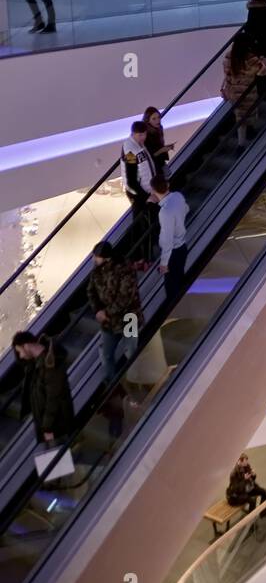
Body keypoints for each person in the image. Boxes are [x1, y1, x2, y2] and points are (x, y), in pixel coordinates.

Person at [87, 241, 142, 383]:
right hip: (109, 321)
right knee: (106, 354)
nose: (94, 259)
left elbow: (125, 297)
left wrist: (106, 312)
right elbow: (91, 291)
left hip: (129, 317)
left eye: (96, 256)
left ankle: (136, 382)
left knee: (131, 351)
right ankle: (112, 383)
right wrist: (98, 310)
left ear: (105, 257)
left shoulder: (125, 269)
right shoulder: (96, 272)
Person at [12, 330, 74, 447]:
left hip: (56, 427)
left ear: (26, 346)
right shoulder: (37, 363)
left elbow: (53, 398)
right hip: (51, 426)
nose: (21, 356)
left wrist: (47, 428)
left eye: (19, 351)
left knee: (60, 461)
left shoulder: (50, 363)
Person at [221, 30, 266, 145]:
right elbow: (262, 71)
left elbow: (227, 73)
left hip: (232, 91)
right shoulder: (250, 59)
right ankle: (241, 144)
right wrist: (263, 59)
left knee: (240, 117)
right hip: (246, 93)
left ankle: (242, 141)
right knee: (245, 117)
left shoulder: (229, 56)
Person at [120, 120, 158, 261]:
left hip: (148, 191)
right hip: (139, 194)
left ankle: (144, 256)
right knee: (141, 225)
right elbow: (131, 179)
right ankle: (141, 258)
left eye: (144, 134)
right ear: (133, 134)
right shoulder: (130, 149)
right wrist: (145, 196)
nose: (143, 137)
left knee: (145, 223)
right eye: (140, 135)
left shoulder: (140, 145)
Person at [149, 175, 188, 299]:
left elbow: (167, 241)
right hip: (183, 247)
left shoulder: (164, 212)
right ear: (168, 185)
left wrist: (164, 263)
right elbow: (186, 209)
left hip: (173, 253)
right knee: (180, 280)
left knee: (172, 288)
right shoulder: (178, 196)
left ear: (153, 191)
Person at [142, 106, 173, 170]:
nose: (158, 120)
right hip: (153, 167)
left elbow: (159, 146)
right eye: (154, 119)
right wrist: (162, 150)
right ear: (148, 120)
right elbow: (148, 156)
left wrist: (165, 148)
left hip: (161, 162)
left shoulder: (159, 129)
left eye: (159, 117)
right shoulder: (145, 135)